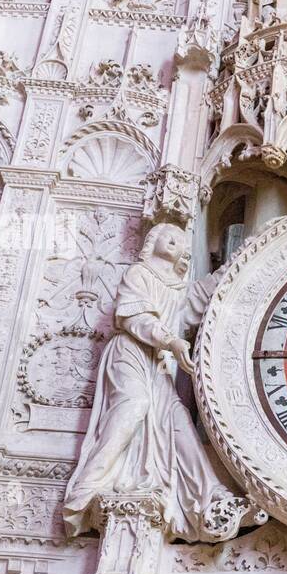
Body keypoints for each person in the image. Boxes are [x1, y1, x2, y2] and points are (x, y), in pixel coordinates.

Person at [63, 224, 242, 542]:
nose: (176, 242)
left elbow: (205, 294)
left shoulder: (178, 287)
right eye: (168, 237)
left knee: (178, 419)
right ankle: (84, 492)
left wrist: (246, 253)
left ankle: (210, 497)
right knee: (135, 406)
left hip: (157, 362)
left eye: (181, 240)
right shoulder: (139, 273)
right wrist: (172, 341)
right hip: (130, 353)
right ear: (152, 242)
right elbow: (134, 319)